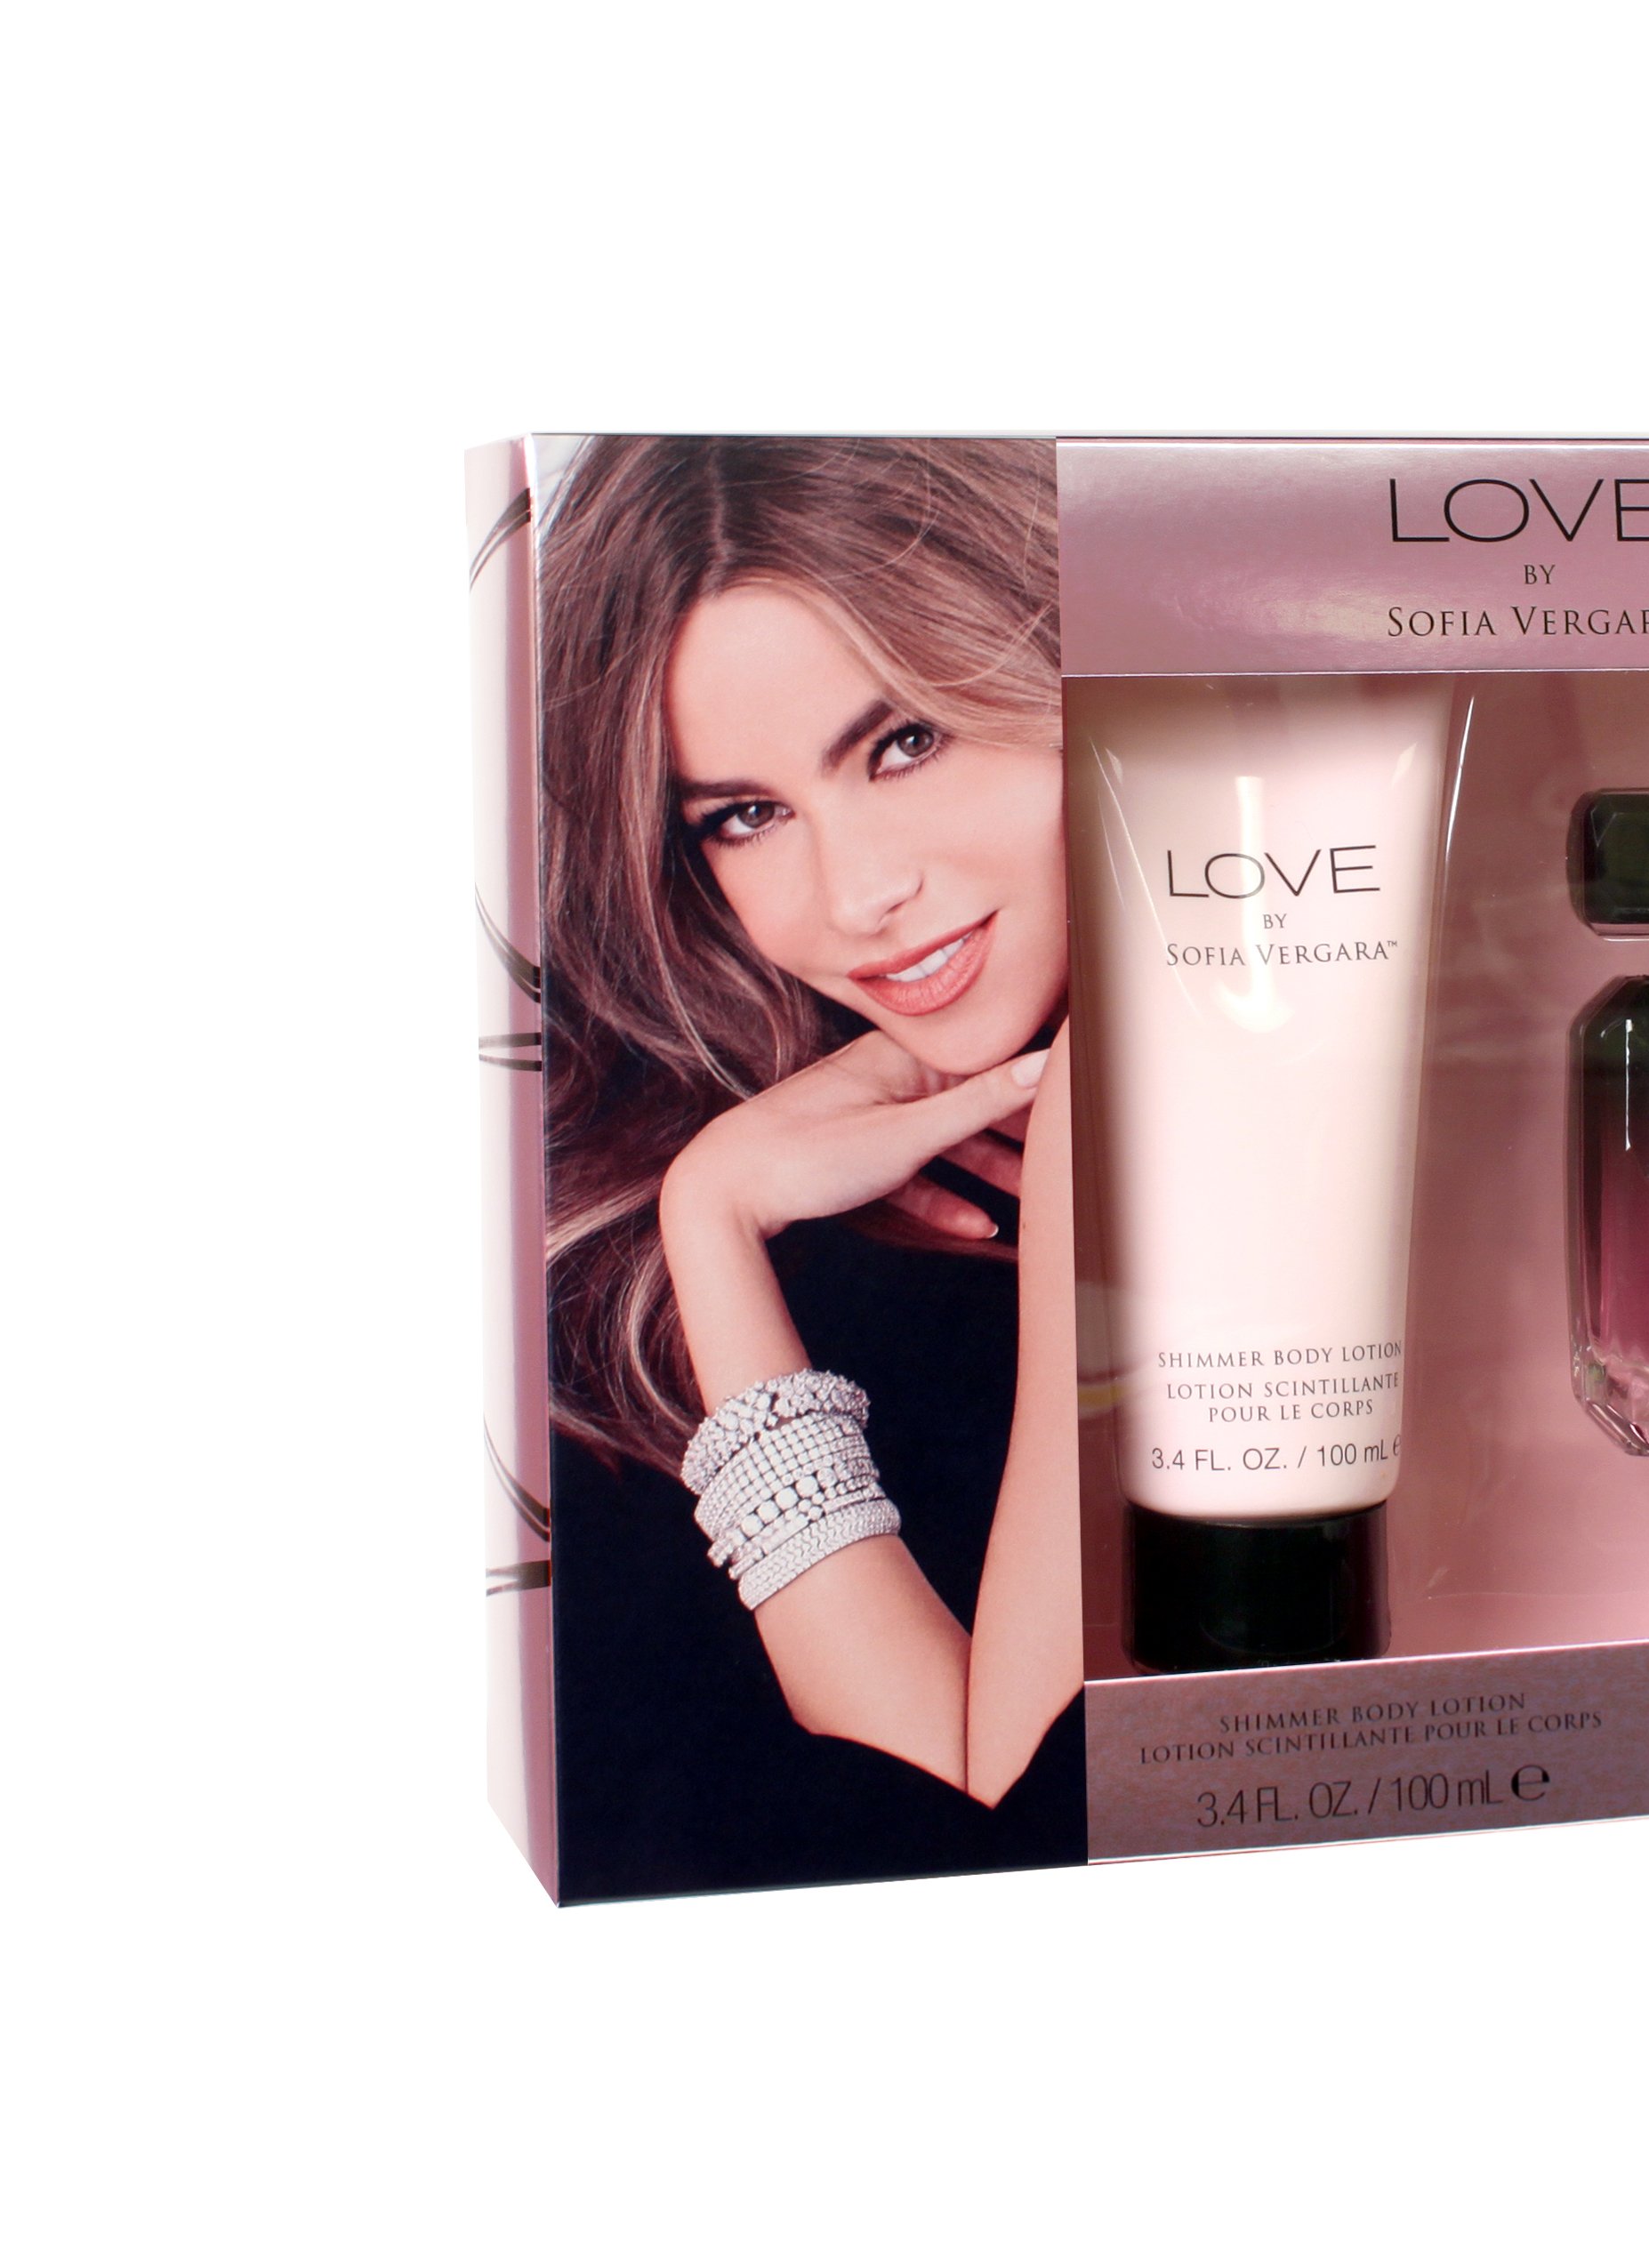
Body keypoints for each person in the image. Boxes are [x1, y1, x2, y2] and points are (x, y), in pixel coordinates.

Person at [536, 438, 1082, 1890]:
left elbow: (1017, 1799)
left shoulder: (1223, 1080)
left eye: (904, 741)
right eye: (747, 815)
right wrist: (709, 1219)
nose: (858, 896)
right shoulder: (636, 1249)